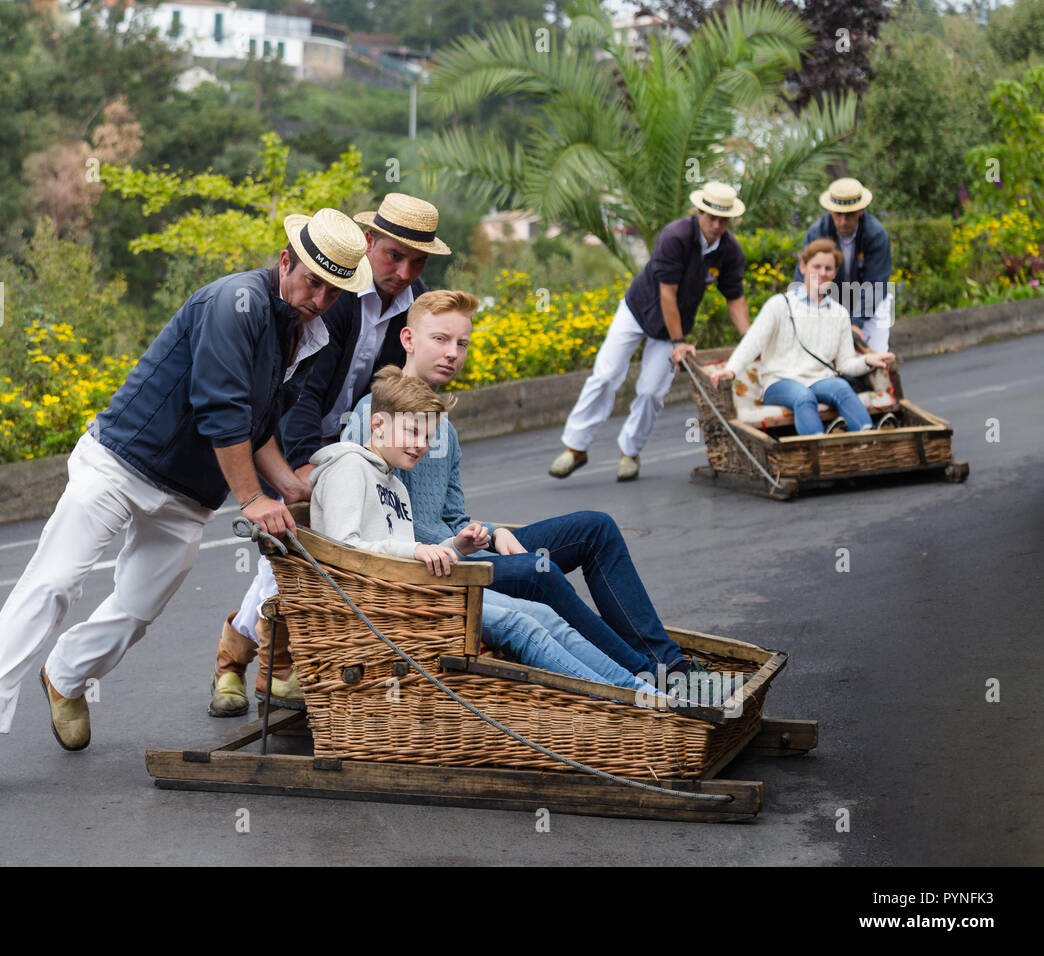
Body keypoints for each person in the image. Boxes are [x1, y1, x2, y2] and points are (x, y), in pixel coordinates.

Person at [0, 208, 372, 777]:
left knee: (139, 607)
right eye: (312, 281)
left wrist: (289, 484)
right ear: (286, 261)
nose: (319, 298)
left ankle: (65, 675)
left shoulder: (305, 331)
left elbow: (260, 422)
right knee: (55, 581)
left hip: (188, 495)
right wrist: (251, 500)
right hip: (120, 463)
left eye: (332, 290)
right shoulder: (233, 303)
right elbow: (222, 410)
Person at [344, 293, 706, 686]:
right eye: (440, 339)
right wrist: (450, 546)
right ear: (409, 340)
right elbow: (371, 524)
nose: (452, 353)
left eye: (461, 343)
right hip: (426, 567)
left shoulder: (443, 426)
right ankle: (642, 674)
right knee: (538, 570)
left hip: (460, 550)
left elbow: (454, 517)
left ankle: (667, 662)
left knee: (595, 528)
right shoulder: (374, 414)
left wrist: (492, 532)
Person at [209, 193, 451, 718]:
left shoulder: (416, 299)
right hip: (297, 436)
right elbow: (304, 390)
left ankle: (270, 665)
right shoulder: (336, 292)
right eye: (394, 256)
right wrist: (297, 469)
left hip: (358, 443)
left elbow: (396, 381)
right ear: (368, 244)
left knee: (313, 558)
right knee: (290, 552)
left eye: (418, 262)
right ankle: (240, 665)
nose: (404, 271)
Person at [316, 358, 656, 692]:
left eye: (427, 436)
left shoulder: (395, 484)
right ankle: (632, 701)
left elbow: (405, 553)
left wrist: (456, 547)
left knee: (544, 615)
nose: (420, 444)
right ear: (376, 424)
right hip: (391, 606)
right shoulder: (348, 469)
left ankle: (641, 690)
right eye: (411, 430)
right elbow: (342, 552)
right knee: (522, 624)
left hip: (421, 590)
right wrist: (417, 549)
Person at [549, 181, 751, 482]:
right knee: (605, 375)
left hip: (672, 327)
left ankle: (629, 452)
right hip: (637, 310)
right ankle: (576, 448)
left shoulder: (730, 250)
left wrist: (751, 342)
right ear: (699, 212)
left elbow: (734, 298)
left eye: (724, 220)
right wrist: (680, 342)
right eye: (711, 217)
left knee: (652, 391)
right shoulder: (675, 236)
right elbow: (667, 294)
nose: (717, 224)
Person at [711, 238, 897, 435]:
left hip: (819, 380)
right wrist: (731, 370)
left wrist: (868, 360)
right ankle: (820, 447)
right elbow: (752, 341)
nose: (822, 273)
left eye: (828, 268)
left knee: (842, 388)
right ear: (803, 266)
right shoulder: (779, 305)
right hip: (779, 382)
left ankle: (870, 437)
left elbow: (845, 365)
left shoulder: (840, 314)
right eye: (816, 266)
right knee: (803, 396)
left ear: (835, 273)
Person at [795, 177, 894, 352]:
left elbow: (876, 285)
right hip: (831, 298)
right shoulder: (816, 233)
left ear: (861, 210)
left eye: (849, 215)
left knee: (872, 355)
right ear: (829, 210)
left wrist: (856, 324)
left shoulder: (876, 234)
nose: (843, 221)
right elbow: (804, 278)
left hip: (871, 298)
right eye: (838, 214)